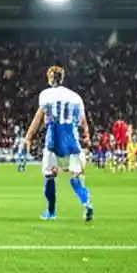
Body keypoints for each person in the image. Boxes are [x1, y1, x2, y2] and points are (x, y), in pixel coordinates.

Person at [23, 65, 93, 222]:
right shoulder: (76, 97)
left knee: (49, 175)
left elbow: (39, 117)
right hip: (73, 141)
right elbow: (83, 121)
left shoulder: (46, 95)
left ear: (49, 78)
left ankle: (51, 211)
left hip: (53, 139)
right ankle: (86, 202)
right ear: (62, 78)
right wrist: (87, 137)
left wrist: (28, 137)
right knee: (76, 177)